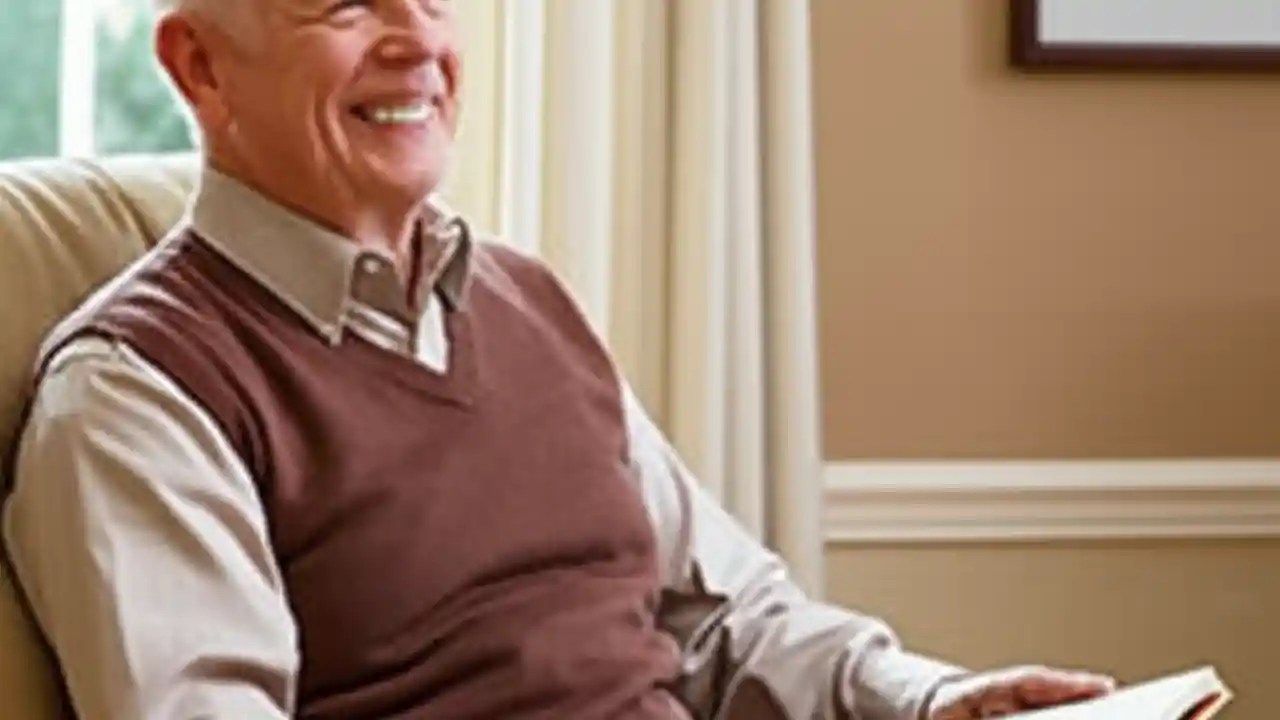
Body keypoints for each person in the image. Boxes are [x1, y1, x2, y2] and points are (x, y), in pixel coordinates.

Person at [2, 1, 1116, 718]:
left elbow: (723, 619)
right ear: (198, 63)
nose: (414, 39)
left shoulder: (524, 300)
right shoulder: (135, 389)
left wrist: (934, 703)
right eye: (343, 3)